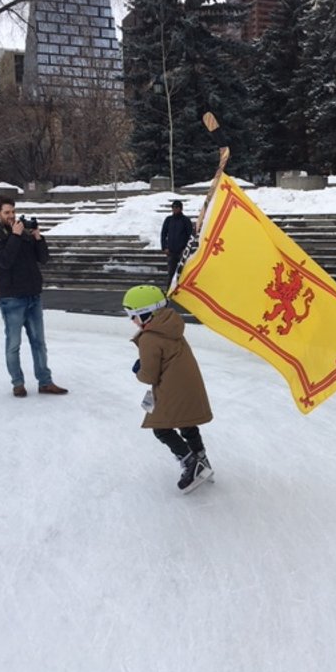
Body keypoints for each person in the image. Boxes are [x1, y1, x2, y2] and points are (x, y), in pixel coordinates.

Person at [123, 284, 214, 493]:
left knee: (161, 428)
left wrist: (138, 369)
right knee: (187, 423)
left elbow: (149, 375)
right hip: (189, 386)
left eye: (133, 315)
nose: (132, 321)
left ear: (147, 314)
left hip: (171, 389)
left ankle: (192, 463)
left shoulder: (149, 338)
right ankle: (201, 457)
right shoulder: (172, 327)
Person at [0, 196, 68, 397]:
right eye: (6, 212)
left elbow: (44, 259)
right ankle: (18, 383)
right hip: (12, 298)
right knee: (13, 344)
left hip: (33, 295)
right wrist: (14, 236)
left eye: (13, 211)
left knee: (39, 342)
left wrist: (38, 237)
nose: (11, 215)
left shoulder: (24, 233)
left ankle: (45, 382)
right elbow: (4, 261)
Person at [160, 199, 193, 287]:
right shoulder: (168, 220)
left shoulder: (185, 221)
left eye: (176, 207)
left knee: (183, 273)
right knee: (171, 273)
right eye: (173, 207)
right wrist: (164, 247)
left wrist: (186, 249)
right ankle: (169, 291)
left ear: (181, 208)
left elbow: (190, 236)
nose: (174, 209)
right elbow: (163, 234)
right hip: (171, 251)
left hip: (182, 251)